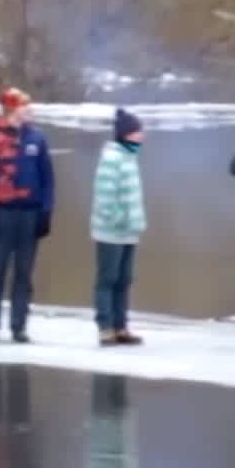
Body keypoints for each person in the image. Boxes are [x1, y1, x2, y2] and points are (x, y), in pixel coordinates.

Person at [0, 87, 56, 343]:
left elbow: (48, 179)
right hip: (3, 214)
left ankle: (19, 327)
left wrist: (46, 212)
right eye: (25, 106)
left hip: (30, 215)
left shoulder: (37, 139)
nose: (30, 110)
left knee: (24, 274)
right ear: (12, 110)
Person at [90, 108, 147, 346]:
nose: (142, 136)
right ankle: (105, 327)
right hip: (111, 232)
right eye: (138, 132)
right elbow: (105, 198)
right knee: (108, 278)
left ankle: (121, 326)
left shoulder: (129, 157)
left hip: (128, 232)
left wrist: (134, 223)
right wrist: (119, 220)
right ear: (126, 134)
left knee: (124, 279)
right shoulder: (111, 158)